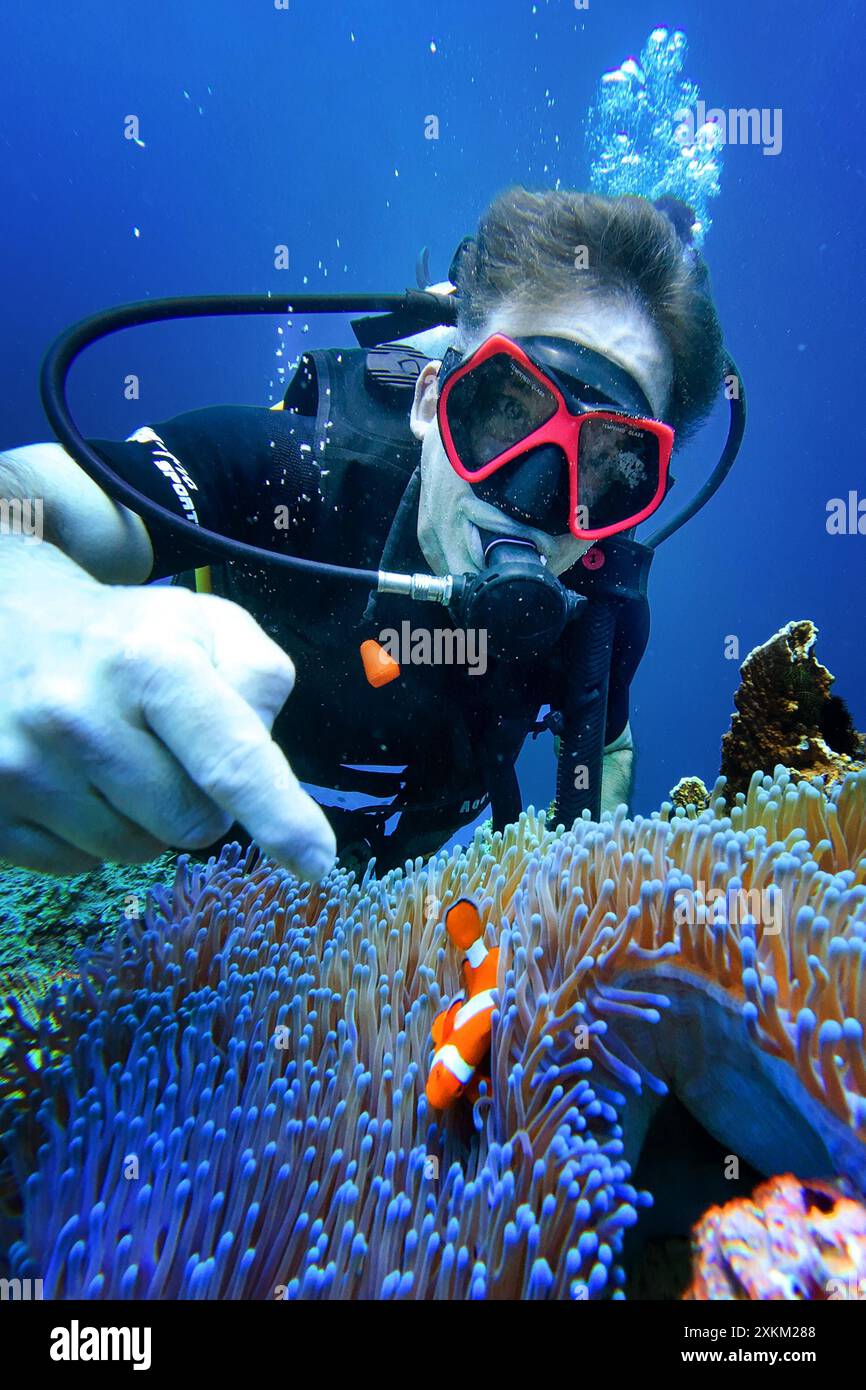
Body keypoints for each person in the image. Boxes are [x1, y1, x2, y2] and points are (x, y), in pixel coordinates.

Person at [0, 188, 724, 879]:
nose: (535, 502)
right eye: (508, 408)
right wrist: (28, 610)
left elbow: (607, 742)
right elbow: (26, 501)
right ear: (433, 399)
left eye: (607, 464)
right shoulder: (300, 474)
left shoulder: (601, 613)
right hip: (208, 876)